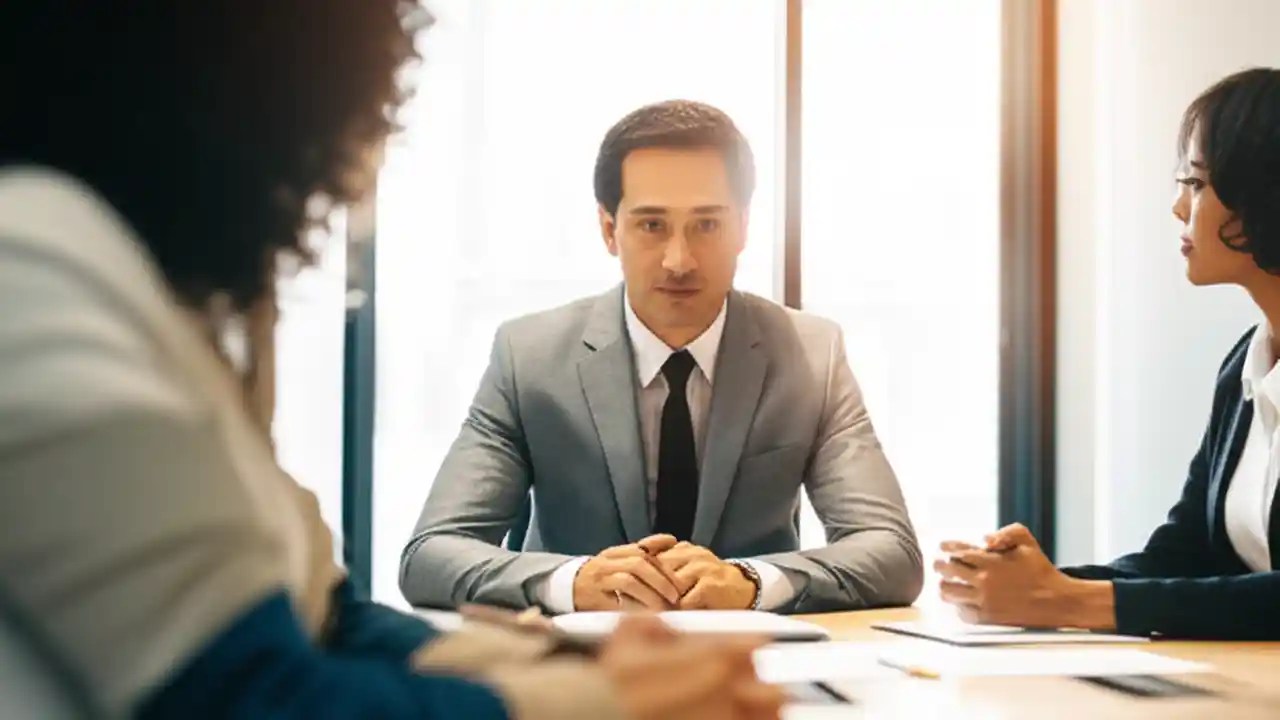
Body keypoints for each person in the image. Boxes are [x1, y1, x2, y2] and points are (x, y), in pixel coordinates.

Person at [0, 4, 784, 719]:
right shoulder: (33, 266)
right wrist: (589, 695)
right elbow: (248, 696)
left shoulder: (167, 305)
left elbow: (330, 617)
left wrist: (558, 654)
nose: (356, 171)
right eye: (360, 117)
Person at [401, 100, 922, 615]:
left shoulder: (813, 355)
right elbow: (432, 553)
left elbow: (891, 552)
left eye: (707, 225)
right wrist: (571, 582)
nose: (680, 260)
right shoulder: (528, 357)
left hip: (752, 665)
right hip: (576, 670)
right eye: (652, 225)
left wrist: (752, 582)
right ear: (610, 229)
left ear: (742, 227)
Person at [936, 67, 1280, 641]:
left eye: (1195, 184)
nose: (1178, 208)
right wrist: (1036, 584)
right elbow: (1185, 552)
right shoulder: (1244, 364)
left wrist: (1066, 601)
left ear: (1263, 192)